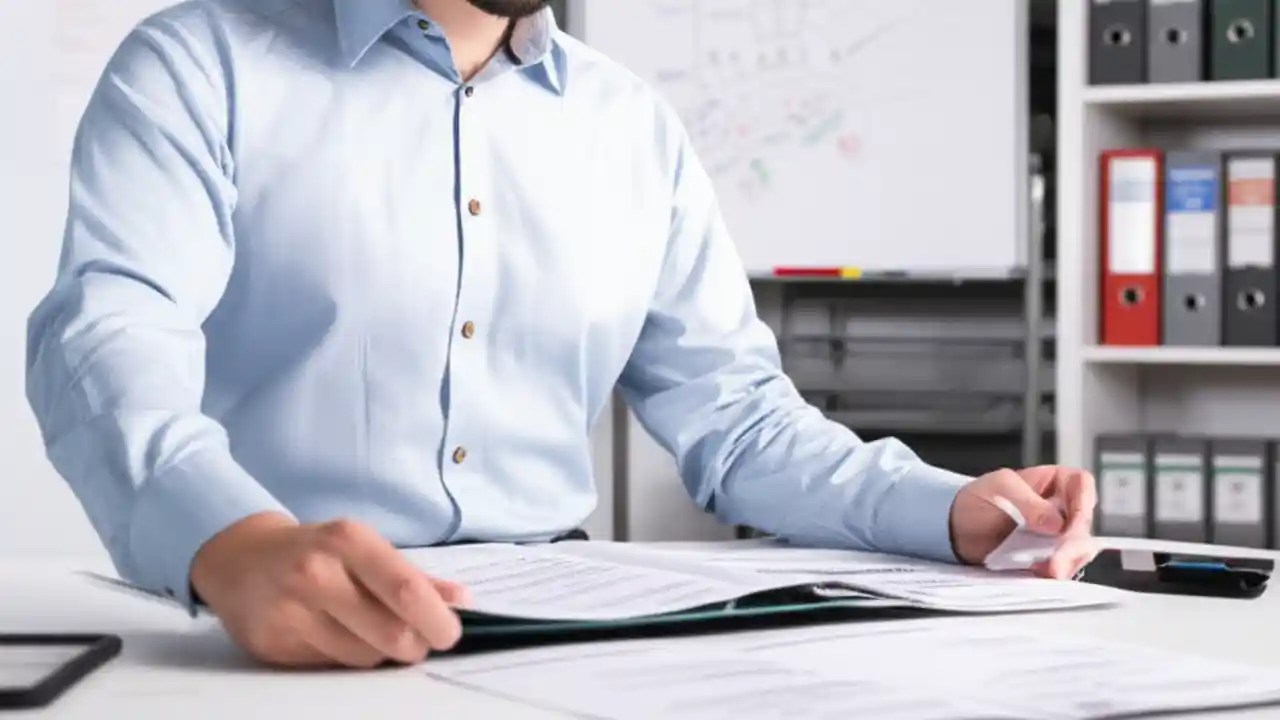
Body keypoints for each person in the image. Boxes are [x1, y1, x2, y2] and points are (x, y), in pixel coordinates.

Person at [27, 0, 1096, 669]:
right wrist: (230, 546)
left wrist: (943, 508)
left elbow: (737, 420)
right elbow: (105, 344)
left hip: (562, 647)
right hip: (269, 632)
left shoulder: (629, 125)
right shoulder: (197, 64)